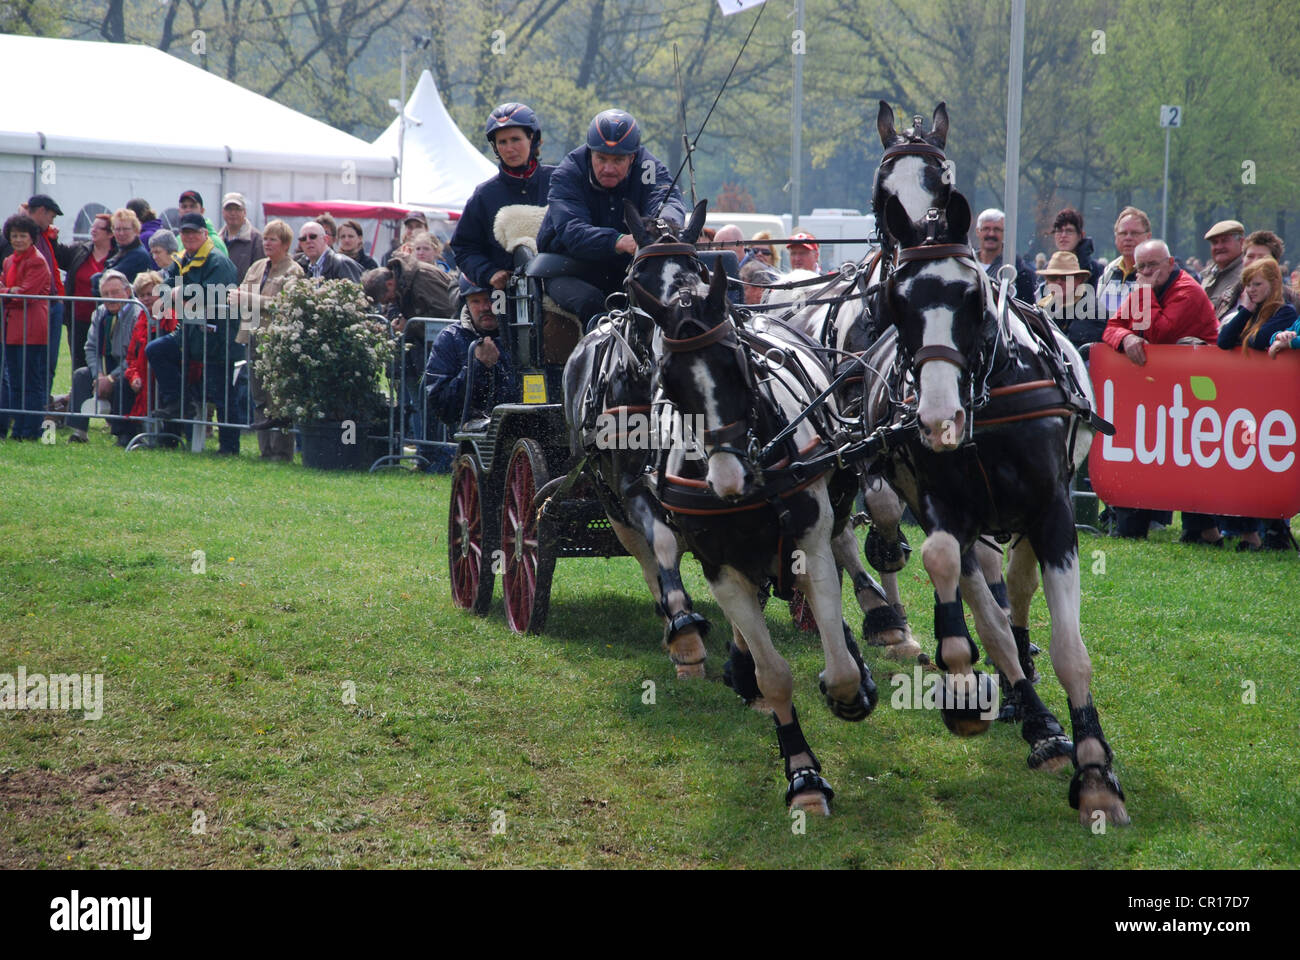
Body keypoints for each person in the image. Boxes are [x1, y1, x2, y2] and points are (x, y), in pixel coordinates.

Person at [1103, 239, 1220, 543]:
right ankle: (1133, 525)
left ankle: (1201, 528)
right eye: (1140, 267)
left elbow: (1161, 333)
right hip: (1156, 391)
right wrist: (1125, 337)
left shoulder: (1187, 290)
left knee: (1192, 455)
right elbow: (1112, 326)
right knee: (1142, 453)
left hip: (1193, 392)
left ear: (1170, 263)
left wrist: (1142, 293)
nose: (1146, 272)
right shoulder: (1146, 287)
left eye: (1152, 265)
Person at [536, 108, 687, 329]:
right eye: (601, 158)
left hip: (625, 268)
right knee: (593, 303)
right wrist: (617, 241)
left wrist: (664, 228)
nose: (608, 168)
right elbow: (572, 230)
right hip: (568, 269)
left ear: (632, 157)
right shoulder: (567, 174)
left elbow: (667, 200)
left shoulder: (648, 167)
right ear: (590, 153)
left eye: (618, 160)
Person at [1216, 257, 1297, 551]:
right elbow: (1224, 340)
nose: (1251, 290)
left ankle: (1266, 530)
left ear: (1273, 285)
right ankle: (1243, 530)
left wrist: (1250, 319)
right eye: (1248, 285)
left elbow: (1262, 339)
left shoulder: (1284, 312)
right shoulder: (1248, 312)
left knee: (1260, 466)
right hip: (1242, 404)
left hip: (1267, 405)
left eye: (1257, 285)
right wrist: (1246, 309)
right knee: (1238, 465)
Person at [146, 212, 243, 455]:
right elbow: (164, 292)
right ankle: (181, 402)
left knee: (222, 395)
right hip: (189, 334)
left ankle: (230, 448)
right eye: (184, 233)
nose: (188, 237)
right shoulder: (182, 259)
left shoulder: (218, 261)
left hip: (218, 337)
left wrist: (184, 293)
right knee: (156, 350)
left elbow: (217, 295)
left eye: (193, 233)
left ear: (204, 234)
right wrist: (181, 295)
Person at [451, 102, 555, 292]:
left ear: (532, 139)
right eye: (502, 142)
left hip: (557, 283)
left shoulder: (559, 182)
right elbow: (463, 247)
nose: (509, 148)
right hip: (507, 293)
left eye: (516, 139)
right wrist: (488, 272)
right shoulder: (484, 195)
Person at [228, 219, 302, 460]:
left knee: (278, 397)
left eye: (273, 239)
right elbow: (241, 292)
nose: (267, 243)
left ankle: (281, 452)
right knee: (259, 395)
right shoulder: (258, 266)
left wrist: (248, 299)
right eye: (265, 239)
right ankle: (265, 450)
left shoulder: (293, 270)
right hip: (253, 336)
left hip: (277, 341)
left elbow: (285, 305)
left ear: (286, 244)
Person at [363, 252, 457, 441]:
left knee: (435, 405)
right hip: (422, 351)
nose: (389, 302)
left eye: (388, 299)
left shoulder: (423, 278)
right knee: (420, 405)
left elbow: (449, 315)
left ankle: (438, 454)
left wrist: (410, 325)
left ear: (390, 283)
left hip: (444, 352)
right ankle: (426, 454)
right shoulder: (404, 281)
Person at [424, 275, 519, 430]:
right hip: (473, 437)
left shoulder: (520, 334)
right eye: (476, 301)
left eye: (490, 299)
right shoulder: (450, 339)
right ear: (466, 304)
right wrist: (477, 366)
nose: (485, 307)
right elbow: (442, 407)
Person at [66, 270, 144, 446]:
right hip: (105, 368)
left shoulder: (138, 313)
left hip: (131, 368)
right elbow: (91, 347)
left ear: (128, 292)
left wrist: (111, 378)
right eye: (106, 294)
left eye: (115, 292)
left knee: (124, 381)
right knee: (81, 375)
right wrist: (99, 376)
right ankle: (79, 431)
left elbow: (135, 356)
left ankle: (122, 434)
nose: (110, 298)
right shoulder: (100, 313)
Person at [0, 214, 52, 440]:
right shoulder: (9, 260)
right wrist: (10, 291)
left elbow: (26, 295)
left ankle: (30, 429)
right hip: (12, 328)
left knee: (30, 381)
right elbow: (9, 289)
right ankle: (18, 428)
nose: (18, 240)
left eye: (23, 236)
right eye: (14, 236)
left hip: (32, 327)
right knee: (14, 380)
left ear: (32, 238)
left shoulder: (38, 261)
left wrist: (9, 292)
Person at [22, 195, 73, 401]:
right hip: (35, 306)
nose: (52, 221)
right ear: (41, 211)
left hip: (51, 304)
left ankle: (41, 405)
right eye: (51, 216)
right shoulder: (22, 236)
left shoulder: (45, 236)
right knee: (33, 360)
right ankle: (30, 405)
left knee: (48, 361)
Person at [120, 271, 179, 442]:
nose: (146, 299)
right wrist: (133, 376)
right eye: (141, 295)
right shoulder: (141, 319)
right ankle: (125, 433)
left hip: (163, 373)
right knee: (123, 384)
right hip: (142, 374)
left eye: (150, 294)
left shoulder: (170, 316)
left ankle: (168, 437)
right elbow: (131, 356)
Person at [64, 213, 114, 372]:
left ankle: (101, 391)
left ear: (110, 233)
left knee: (102, 361)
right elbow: (60, 256)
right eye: (93, 226)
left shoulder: (117, 256)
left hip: (104, 319)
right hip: (77, 318)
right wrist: (50, 238)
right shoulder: (80, 249)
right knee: (78, 361)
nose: (93, 230)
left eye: (99, 228)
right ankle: (79, 393)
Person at [1035, 251, 1100, 353]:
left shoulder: (1092, 310)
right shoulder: (1039, 308)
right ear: (1046, 281)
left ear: (1079, 280)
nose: (1058, 282)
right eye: (1052, 277)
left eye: (1065, 277)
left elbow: (1072, 351)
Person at [1097, 206, 1151, 319]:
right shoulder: (1109, 271)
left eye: (1134, 233)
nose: (1128, 238)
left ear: (1148, 237)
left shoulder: (1154, 272)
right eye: (1123, 233)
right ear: (1116, 238)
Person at [973, 208, 1035, 301]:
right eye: (986, 229)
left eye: (997, 229)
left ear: (1005, 233)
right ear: (978, 231)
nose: (991, 234)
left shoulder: (1019, 271)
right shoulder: (968, 264)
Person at [1200, 219, 1246, 322]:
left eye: (1225, 241)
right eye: (1215, 242)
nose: (1219, 247)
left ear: (1241, 242)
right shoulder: (1208, 275)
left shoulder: (1246, 275)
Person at [1050, 207, 1105, 289]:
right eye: (1059, 230)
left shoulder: (1095, 270)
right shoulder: (1048, 268)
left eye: (1069, 231)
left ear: (1081, 235)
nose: (1063, 235)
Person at [218, 193, 264, 282]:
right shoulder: (217, 240)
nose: (233, 213)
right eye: (229, 209)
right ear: (223, 212)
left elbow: (259, 274)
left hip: (245, 293)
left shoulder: (256, 240)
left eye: (237, 209)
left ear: (245, 212)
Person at [1242, 230, 1295, 305]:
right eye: (1250, 256)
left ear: (1275, 262)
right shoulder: (1228, 296)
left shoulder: (1291, 301)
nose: (1255, 262)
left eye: (1262, 257)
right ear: (1243, 259)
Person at [297, 221, 362, 281]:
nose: (308, 241)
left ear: (325, 239)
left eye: (313, 236)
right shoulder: (303, 268)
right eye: (303, 238)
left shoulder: (342, 264)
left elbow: (357, 292)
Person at [103, 208, 153, 285]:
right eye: (117, 229)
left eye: (125, 229)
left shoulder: (138, 255)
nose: (121, 233)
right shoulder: (118, 252)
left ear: (135, 230)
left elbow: (106, 279)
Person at [177, 190, 228, 256]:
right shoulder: (178, 239)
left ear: (202, 210)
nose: (188, 210)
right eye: (184, 207)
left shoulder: (215, 242)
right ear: (179, 211)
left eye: (192, 206)